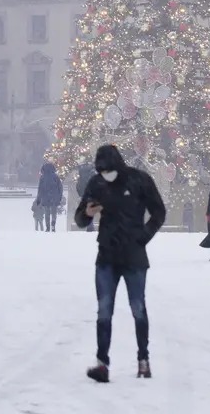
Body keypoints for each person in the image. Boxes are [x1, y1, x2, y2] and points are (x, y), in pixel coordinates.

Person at [75, 145, 166, 383]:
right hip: (106, 255)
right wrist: (87, 213)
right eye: (101, 170)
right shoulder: (96, 184)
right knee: (104, 310)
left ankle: (143, 360)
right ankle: (102, 364)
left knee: (138, 308)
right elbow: (80, 218)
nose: (106, 174)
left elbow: (159, 212)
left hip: (134, 257)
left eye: (108, 170)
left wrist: (143, 236)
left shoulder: (139, 180)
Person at [36, 162, 64, 232]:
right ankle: (53, 224)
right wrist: (60, 196)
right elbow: (60, 187)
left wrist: (39, 199)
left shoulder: (42, 177)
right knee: (54, 212)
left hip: (45, 197)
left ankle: (47, 227)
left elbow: (40, 189)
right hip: (54, 197)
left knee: (47, 213)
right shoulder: (56, 177)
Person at [76, 163, 97, 232]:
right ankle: (90, 226)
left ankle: (89, 226)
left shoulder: (81, 174)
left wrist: (80, 194)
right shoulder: (93, 173)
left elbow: (78, 185)